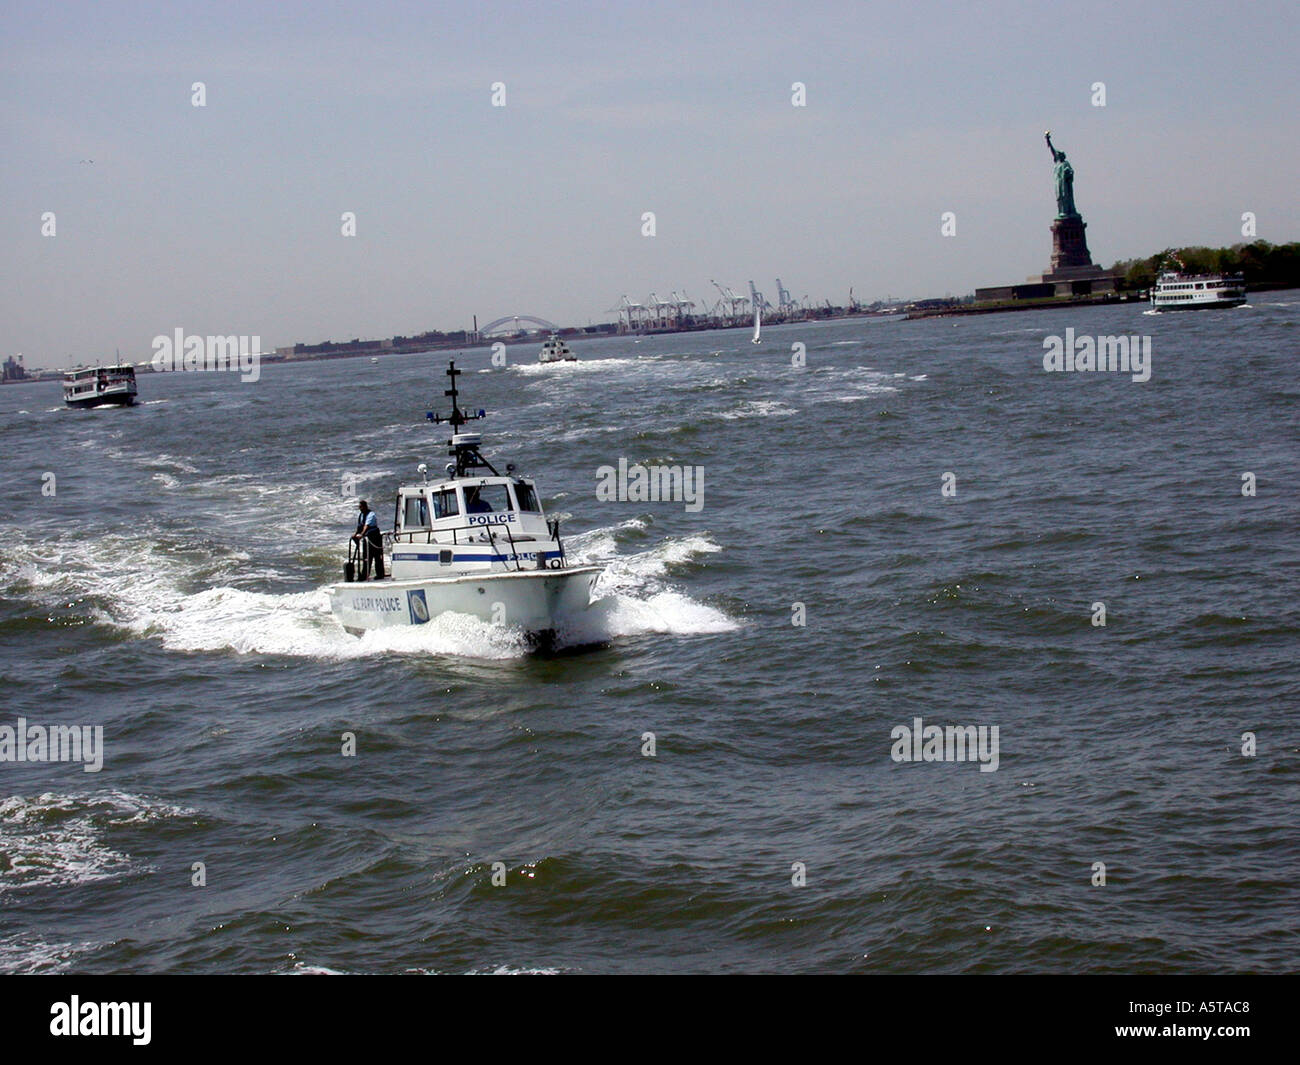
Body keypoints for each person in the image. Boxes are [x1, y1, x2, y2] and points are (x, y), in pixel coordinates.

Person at [352, 500, 385, 579]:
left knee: (377, 557)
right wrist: (355, 534)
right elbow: (360, 526)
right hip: (367, 539)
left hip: (375, 538)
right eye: (359, 507)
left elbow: (366, 526)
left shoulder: (371, 515)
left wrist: (362, 534)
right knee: (366, 557)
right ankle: (364, 575)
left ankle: (380, 575)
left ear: (365, 506)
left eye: (361, 507)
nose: (360, 509)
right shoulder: (361, 515)